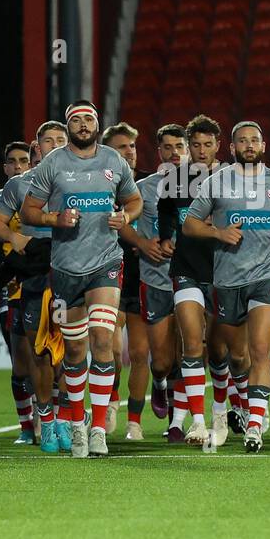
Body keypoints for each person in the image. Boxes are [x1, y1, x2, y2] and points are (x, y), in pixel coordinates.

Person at [20, 100, 142, 459]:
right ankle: (77, 425)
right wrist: (53, 220)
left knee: (103, 342)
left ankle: (99, 429)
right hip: (65, 269)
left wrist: (126, 217)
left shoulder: (113, 161)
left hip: (106, 263)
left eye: (89, 119)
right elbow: (29, 211)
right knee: (74, 352)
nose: (84, 125)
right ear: (70, 126)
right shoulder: (53, 163)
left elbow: (134, 201)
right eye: (77, 120)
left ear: (97, 124)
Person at [182, 122, 270, 452]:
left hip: (268, 276)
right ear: (232, 148)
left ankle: (254, 426)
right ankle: (243, 405)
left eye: (255, 140)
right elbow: (190, 224)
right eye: (242, 141)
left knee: (262, 350)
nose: (249, 145)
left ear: (263, 145)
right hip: (229, 279)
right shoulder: (216, 182)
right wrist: (218, 234)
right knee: (238, 357)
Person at [0, 122, 70, 454]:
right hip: (33, 280)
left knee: (72, 353)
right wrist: (12, 237)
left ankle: (68, 419)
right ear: (37, 148)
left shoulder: (86, 180)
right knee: (39, 354)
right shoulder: (19, 186)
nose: (53, 145)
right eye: (47, 141)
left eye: (59, 140)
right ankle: (46, 422)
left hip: (72, 275)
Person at [156, 115, 225, 445]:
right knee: (192, 342)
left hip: (226, 271)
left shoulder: (233, 179)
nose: (201, 150)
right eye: (195, 144)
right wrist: (166, 235)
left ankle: (226, 409)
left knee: (226, 353)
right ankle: (196, 422)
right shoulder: (176, 178)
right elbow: (167, 211)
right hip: (186, 269)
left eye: (207, 144)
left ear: (217, 146)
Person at [119, 124, 188, 441]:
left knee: (189, 350)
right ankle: (159, 384)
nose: (174, 153)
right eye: (167, 147)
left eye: (179, 146)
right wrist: (144, 243)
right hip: (154, 278)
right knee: (160, 360)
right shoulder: (144, 188)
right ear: (158, 153)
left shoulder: (207, 186)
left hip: (192, 279)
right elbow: (122, 224)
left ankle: (178, 421)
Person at [0, 140, 37, 444]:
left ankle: (49, 417)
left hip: (41, 283)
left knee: (44, 353)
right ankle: (26, 426)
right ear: (5, 167)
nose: (18, 166)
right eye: (13, 161)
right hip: (10, 287)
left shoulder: (43, 197)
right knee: (19, 358)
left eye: (24, 161)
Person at [102, 122, 149, 434]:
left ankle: (135, 422)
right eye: (122, 147)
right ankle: (109, 407)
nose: (130, 152)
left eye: (132, 146)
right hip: (108, 275)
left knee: (143, 353)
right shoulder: (99, 184)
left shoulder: (149, 185)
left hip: (143, 276)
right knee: (113, 351)